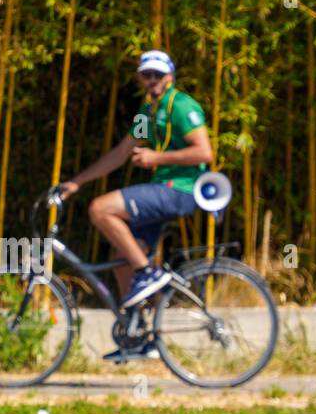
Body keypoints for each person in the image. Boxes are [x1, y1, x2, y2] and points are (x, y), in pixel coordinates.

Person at [58, 50, 216, 362]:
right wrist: (77, 182)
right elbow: (122, 152)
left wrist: (157, 158)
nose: (153, 81)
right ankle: (145, 337)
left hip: (180, 190)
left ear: (170, 77)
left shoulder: (181, 106)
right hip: (162, 189)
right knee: (121, 259)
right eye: (147, 75)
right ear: (140, 79)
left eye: (158, 75)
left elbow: (204, 153)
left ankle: (147, 271)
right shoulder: (147, 112)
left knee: (101, 209)